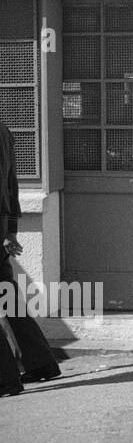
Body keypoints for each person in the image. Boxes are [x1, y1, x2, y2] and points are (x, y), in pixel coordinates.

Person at [1, 120, 62, 396]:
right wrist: (10, 229)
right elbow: (11, 183)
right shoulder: (3, 128)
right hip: (2, 222)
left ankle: (6, 379)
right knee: (9, 299)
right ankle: (41, 363)